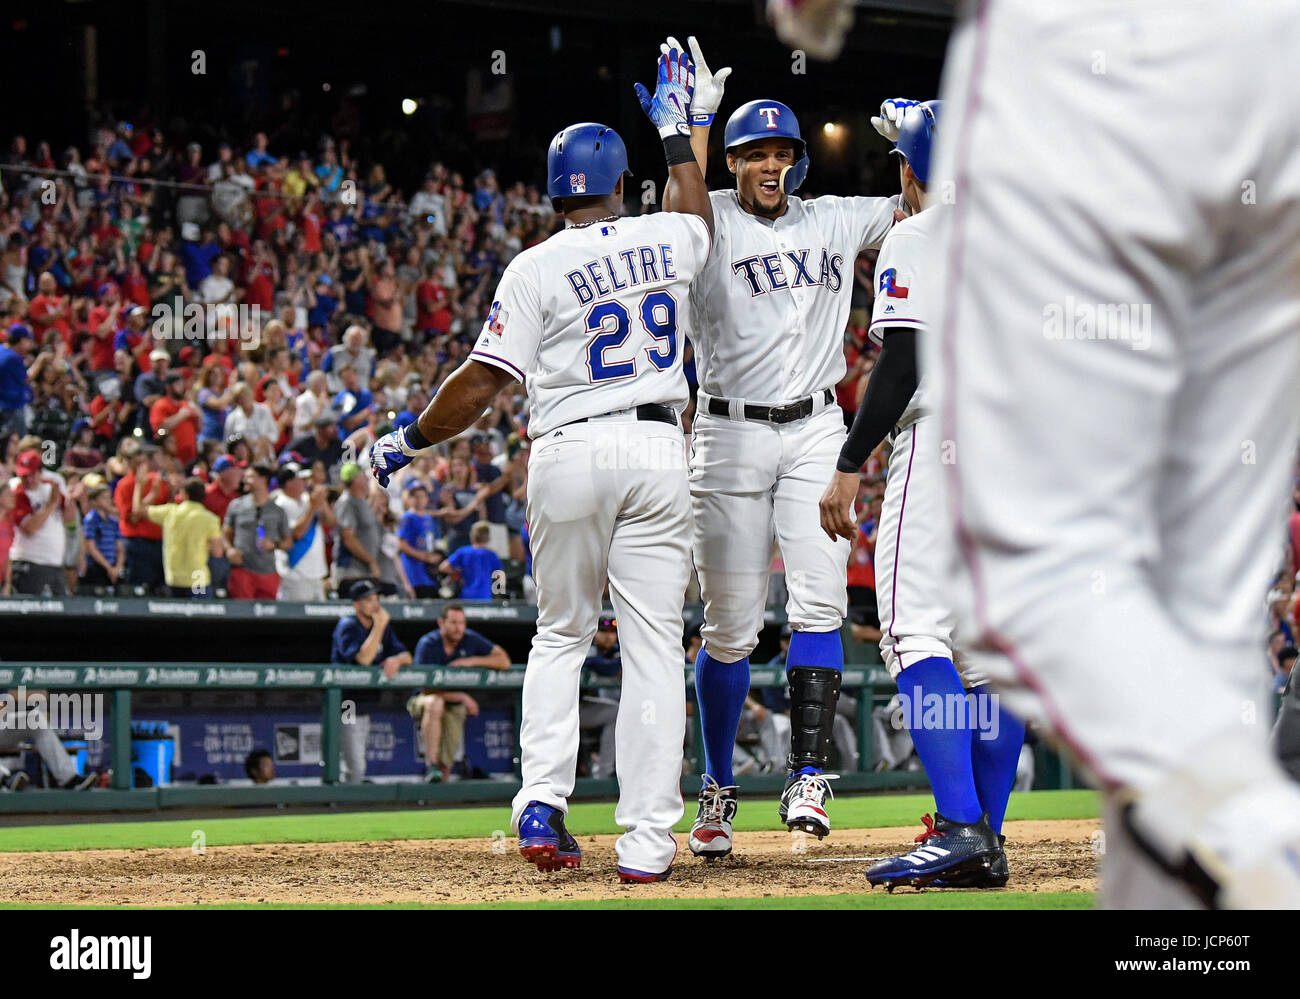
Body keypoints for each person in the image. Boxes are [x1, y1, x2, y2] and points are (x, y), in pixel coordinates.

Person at [919, 0, 1300, 909]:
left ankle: (1268, 840)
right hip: (1273, 64)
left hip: (1092, 55)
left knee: (1024, 579)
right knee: (1195, 619)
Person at [370, 48, 712, 881]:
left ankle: (541, 803)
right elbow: (700, 216)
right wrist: (675, 134)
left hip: (566, 448)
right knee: (654, 649)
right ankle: (646, 843)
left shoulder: (534, 264)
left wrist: (408, 438)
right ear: (622, 184)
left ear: (557, 190)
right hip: (658, 446)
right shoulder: (668, 235)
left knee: (560, 633)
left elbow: (484, 384)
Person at [659, 35, 905, 854]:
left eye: (782, 153)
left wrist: (919, 142)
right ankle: (718, 786)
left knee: (821, 601)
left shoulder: (834, 215)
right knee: (729, 626)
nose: (771, 165)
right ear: (730, 163)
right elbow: (675, 213)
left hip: (813, 429)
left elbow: (925, 209)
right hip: (725, 431)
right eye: (754, 153)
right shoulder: (708, 220)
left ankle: (808, 775)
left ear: (798, 160)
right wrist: (689, 130)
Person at [817, 103, 1019, 888]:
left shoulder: (917, 233)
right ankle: (987, 838)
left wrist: (850, 457)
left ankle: (962, 828)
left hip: (944, 446)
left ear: (910, 171)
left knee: (913, 636)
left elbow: (903, 360)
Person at [411, 604, 510, 781]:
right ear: (441, 623)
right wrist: (462, 696)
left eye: (462, 623)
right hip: (424, 699)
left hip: (454, 705)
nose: (459, 628)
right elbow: (425, 688)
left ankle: (438, 791)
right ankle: (430, 765)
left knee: (447, 763)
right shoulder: (428, 644)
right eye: (454, 623)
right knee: (435, 703)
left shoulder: (469, 639)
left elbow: (504, 661)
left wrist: (469, 661)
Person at [330, 579, 411, 783]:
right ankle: (342, 808)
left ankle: (346, 803)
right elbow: (364, 659)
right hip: (345, 704)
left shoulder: (382, 628)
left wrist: (396, 659)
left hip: (365, 704)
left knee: (356, 766)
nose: (375, 604)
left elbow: (407, 656)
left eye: (376, 598)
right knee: (354, 766)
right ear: (356, 604)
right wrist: (380, 626)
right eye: (368, 600)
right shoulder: (348, 625)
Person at [143, 477, 225, 598]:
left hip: (173, 577)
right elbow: (217, 552)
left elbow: (139, 510)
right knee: (201, 613)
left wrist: (152, 492)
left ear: (184, 494)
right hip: (198, 577)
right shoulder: (210, 519)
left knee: (175, 615)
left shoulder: (170, 512)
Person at [9, 450, 75, 595]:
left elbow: (69, 518)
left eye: (31, 475)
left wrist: (71, 499)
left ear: (40, 472)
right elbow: (29, 528)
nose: (28, 480)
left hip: (55, 563)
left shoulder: (51, 485)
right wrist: (51, 504)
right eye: (23, 476)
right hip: (30, 561)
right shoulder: (17, 491)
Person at [223, 464, 290, 599]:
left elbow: (288, 542)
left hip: (268, 571)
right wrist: (229, 549)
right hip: (242, 569)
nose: (245, 480)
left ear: (263, 479)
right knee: (241, 613)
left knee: (268, 616)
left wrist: (274, 545)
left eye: (250, 477)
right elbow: (225, 533)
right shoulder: (236, 505)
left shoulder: (277, 510)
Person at [274, 462, 334, 601]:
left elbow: (331, 522)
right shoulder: (279, 505)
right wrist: (313, 508)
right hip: (294, 574)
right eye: (300, 479)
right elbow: (296, 534)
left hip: (317, 573)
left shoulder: (308, 499)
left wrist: (322, 502)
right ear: (288, 482)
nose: (305, 483)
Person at [577, 616, 622, 780]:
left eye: (612, 632)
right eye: (603, 632)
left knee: (615, 711)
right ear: (594, 633)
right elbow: (606, 668)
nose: (608, 636)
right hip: (562, 707)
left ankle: (604, 771)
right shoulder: (586, 646)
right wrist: (617, 664)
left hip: (580, 706)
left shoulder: (615, 650)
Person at [333, 462, 382, 593]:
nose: (366, 478)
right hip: (351, 570)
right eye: (363, 475)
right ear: (355, 479)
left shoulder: (362, 501)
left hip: (364, 570)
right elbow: (348, 538)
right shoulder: (346, 502)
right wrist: (371, 561)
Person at [397, 479, 442, 598]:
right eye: (415, 496)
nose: (419, 500)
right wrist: (423, 557)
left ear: (427, 498)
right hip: (413, 571)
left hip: (428, 572)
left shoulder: (429, 518)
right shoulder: (408, 517)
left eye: (422, 496)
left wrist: (434, 556)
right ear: (410, 499)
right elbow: (402, 544)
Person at [439, 521, 503, 600]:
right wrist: (499, 596)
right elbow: (500, 576)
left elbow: (443, 567)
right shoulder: (492, 555)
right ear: (488, 538)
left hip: (466, 595)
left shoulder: (463, 552)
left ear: (472, 536)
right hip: (485, 596)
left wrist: (458, 573)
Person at [80, 482, 124, 591]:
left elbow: (120, 548)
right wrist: (108, 567)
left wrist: (117, 568)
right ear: (94, 501)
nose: (108, 501)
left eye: (109, 498)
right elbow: (91, 548)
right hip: (96, 568)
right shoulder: (91, 520)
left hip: (113, 568)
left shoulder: (113, 522)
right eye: (104, 498)